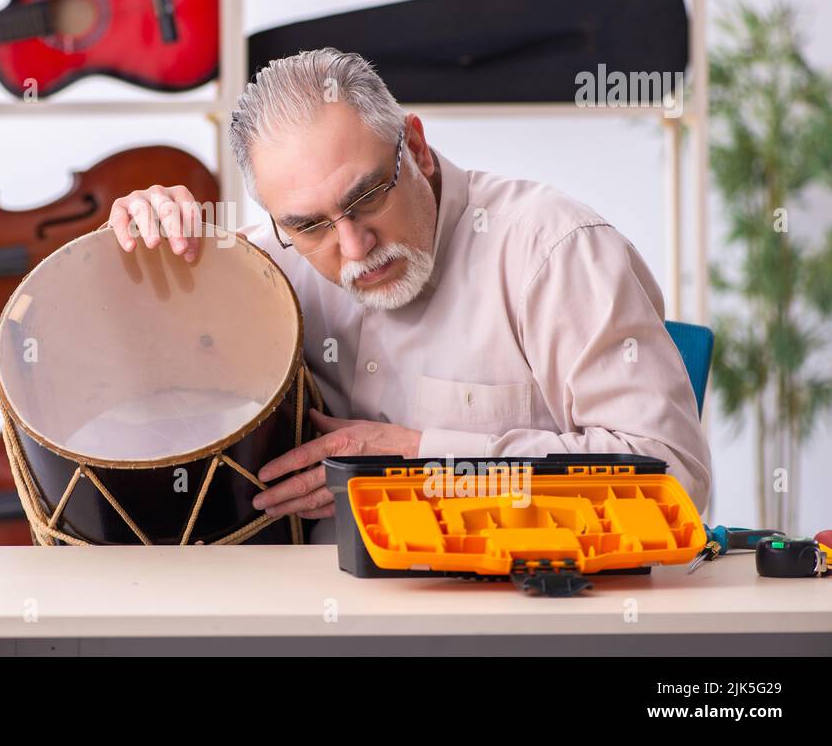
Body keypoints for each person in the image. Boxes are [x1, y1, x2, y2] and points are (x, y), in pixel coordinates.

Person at [108, 47, 711, 544]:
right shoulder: (266, 264)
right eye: (310, 225)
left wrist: (427, 463)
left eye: (368, 195)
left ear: (416, 147)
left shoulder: (554, 250)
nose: (353, 245)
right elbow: (121, 393)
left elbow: (675, 481)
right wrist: (143, 261)